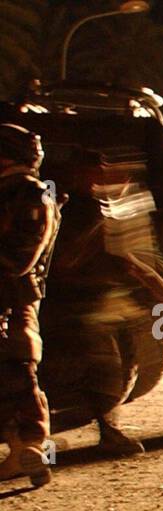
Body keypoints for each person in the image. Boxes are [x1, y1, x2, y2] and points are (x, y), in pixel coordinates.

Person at [0, 123, 59, 487]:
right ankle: (22, 450)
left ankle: (31, 450)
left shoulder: (29, 194)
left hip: (11, 297)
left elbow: (18, 257)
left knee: (17, 369)